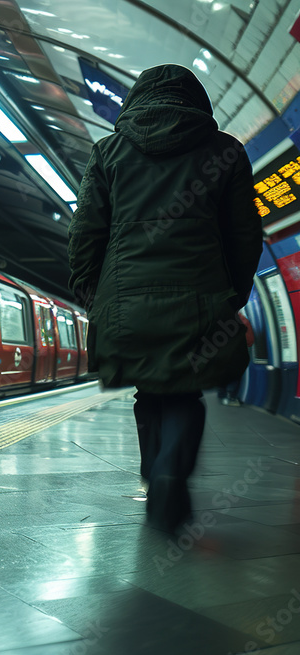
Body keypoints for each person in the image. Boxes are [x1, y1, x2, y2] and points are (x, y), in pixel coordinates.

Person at [67, 64, 263, 532]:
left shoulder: (108, 151)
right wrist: (230, 295)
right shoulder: (225, 152)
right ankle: (171, 473)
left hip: (124, 301)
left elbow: (86, 232)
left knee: (149, 391)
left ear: (135, 101)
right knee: (183, 393)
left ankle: (157, 471)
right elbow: (244, 235)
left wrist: (94, 295)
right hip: (200, 298)